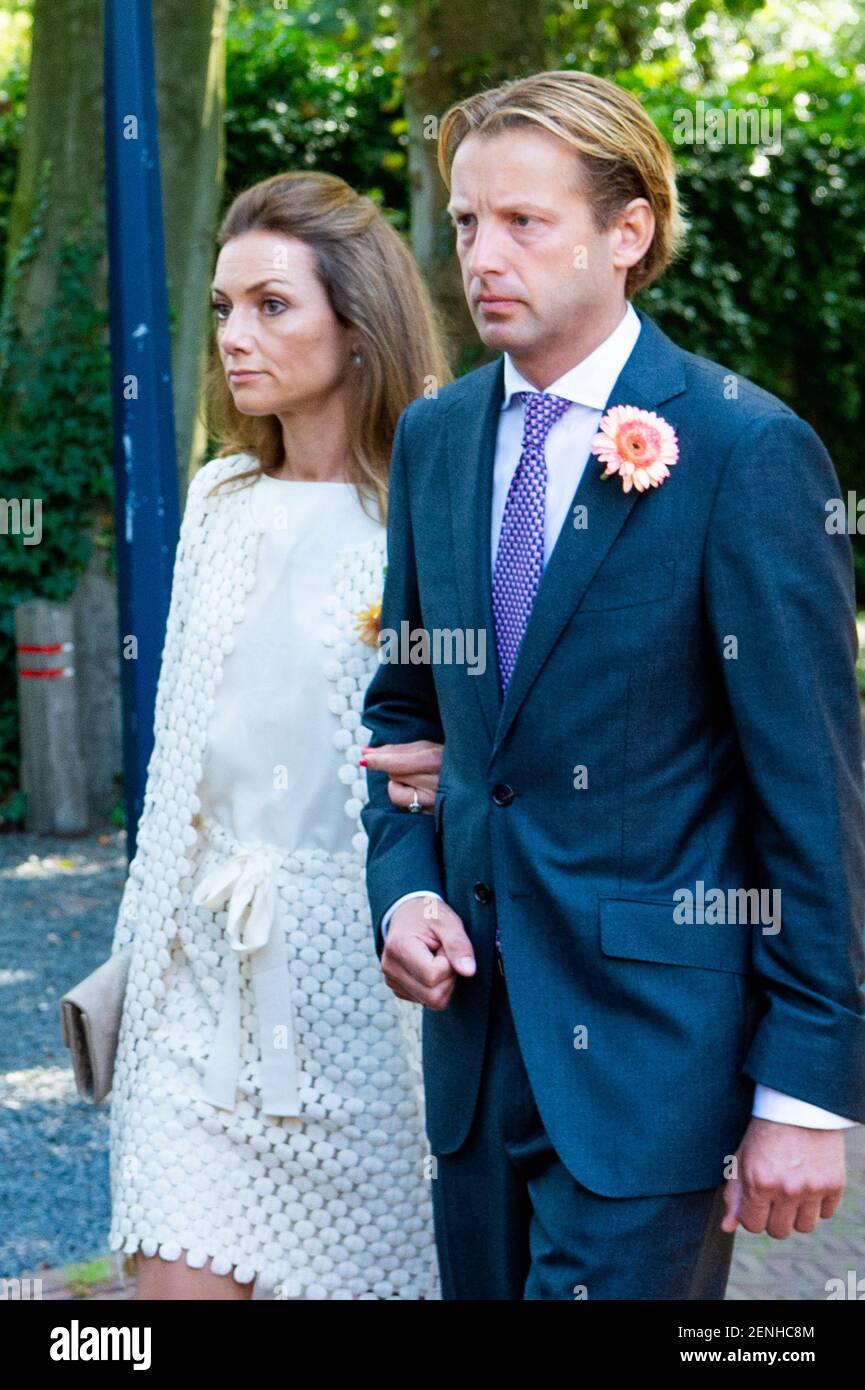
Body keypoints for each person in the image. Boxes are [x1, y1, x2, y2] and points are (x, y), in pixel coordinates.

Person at [360, 70, 865, 1300]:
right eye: (468, 222)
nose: (482, 253)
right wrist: (403, 893)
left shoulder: (745, 449)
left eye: (523, 222)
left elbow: (816, 802)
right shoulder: (434, 439)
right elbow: (405, 719)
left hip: (652, 1079)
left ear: (626, 232)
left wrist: (805, 1091)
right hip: (475, 1069)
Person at [106, 170, 450, 1300]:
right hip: (201, 984)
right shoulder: (219, 499)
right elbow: (178, 769)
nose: (235, 336)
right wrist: (139, 975)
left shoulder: (426, 510)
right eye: (221, 307)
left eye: (270, 305)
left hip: (368, 1001)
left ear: (359, 325)